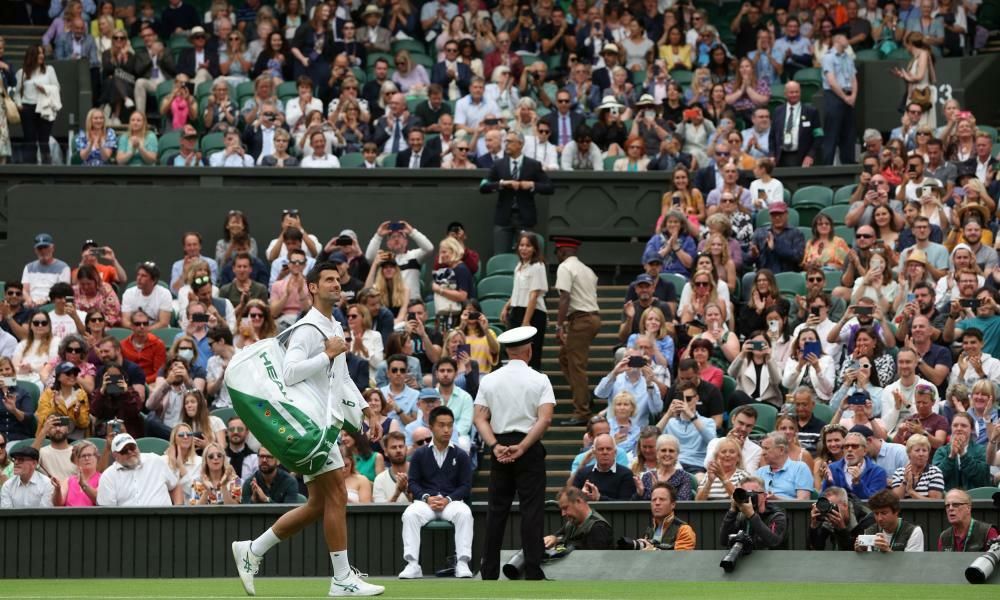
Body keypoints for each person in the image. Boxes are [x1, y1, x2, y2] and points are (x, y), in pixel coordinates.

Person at [231, 262, 385, 597]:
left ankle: (252, 550)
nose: (336, 284)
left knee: (318, 504)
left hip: (324, 424)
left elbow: (341, 380)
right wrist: (327, 355)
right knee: (338, 495)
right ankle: (342, 579)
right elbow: (289, 373)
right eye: (328, 280)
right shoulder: (306, 329)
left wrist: (366, 411)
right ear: (313, 288)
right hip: (314, 427)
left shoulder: (334, 326)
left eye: (338, 280)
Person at [474, 326, 555, 581]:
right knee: (532, 511)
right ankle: (532, 570)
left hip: (500, 450)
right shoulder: (540, 379)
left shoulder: (489, 379)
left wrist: (495, 446)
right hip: (527, 449)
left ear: (507, 351)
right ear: (529, 350)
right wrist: (522, 447)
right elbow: (545, 419)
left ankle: (488, 572)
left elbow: (479, 418)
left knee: (496, 511)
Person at [399, 406, 473, 579]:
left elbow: (466, 485)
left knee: (465, 513)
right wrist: (426, 498)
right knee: (409, 514)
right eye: (441, 425)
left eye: (449, 425)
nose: (446, 429)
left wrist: (448, 499)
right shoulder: (419, 455)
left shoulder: (461, 455)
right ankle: (412, 564)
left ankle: (462, 563)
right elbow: (413, 483)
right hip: (426, 504)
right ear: (431, 427)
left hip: (452, 503)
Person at [478, 131, 554, 255]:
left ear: (520, 144)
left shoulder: (533, 165)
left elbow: (550, 187)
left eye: (510, 142)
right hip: (504, 218)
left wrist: (532, 185)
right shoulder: (498, 164)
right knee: (500, 255)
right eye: (505, 141)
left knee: (527, 256)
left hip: (525, 218)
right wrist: (502, 183)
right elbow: (483, 186)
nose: (506, 145)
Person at [553, 238, 601, 426]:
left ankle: (582, 411)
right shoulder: (587, 269)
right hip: (592, 317)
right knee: (565, 358)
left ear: (563, 252)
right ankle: (585, 397)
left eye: (557, 252)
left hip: (581, 319)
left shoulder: (565, 267)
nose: (556, 256)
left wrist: (558, 326)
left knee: (576, 365)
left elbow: (565, 297)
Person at [500, 232, 548, 368]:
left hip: (533, 314)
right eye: (521, 245)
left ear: (534, 248)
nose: (524, 248)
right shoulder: (519, 266)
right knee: (514, 350)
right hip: (517, 310)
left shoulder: (538, 266)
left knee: (532, 352)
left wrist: (526, 321)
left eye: (528, 245)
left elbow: (533, 295)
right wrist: (507, 306)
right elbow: (517, 291)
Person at [97, 433, 178, 506]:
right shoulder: (108, 476)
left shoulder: (156, 461)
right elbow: (107, 510)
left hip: (161, 519)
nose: (130, 452)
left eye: (132, 447)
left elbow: (175, 485)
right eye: (124, 451)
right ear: (115, 456)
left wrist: (178, 508)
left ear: (137, 447)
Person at [718, 477, 788, 550]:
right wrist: (732, 511)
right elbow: (724, 541)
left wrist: (752, 516)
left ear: (764, 496)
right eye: (745, 494)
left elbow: (773, 542)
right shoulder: (741, 515)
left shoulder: (777, 516)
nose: (748, 497)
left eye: (752, 493)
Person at [820, 34, 858, 165]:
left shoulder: (848, 57)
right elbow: (831, 81)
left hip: (849, 96)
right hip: (834, 96)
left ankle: (848, 166)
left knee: (848, 135)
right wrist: (844, 97)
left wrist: (853, 96)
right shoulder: (828, 57)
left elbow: (853, 78)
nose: (847, 40)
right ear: (837, 39)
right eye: (845, 37)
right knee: (832, 134)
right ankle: (827, 167)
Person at [931, 411, 991, 489]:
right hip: (948, 497)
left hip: (975, 497)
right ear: (951, 428)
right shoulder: (942, 451)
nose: (959, 428)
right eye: (955, 425)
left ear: (972, 429)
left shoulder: (981, 450)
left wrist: (963, 455)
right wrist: (951, 457)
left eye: (964, 426)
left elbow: (982, 478)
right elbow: (936, 478)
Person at [543, 486, 613, 551]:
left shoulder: (598, 528)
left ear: (579, 501)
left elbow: (592, 561)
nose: (563, 514)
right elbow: (564, 547)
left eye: (565, 508)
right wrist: (554, 540)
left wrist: (557, 547)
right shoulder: (571, 523)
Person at [571, 433, 637, 501]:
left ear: (615, 452)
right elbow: (572, 500)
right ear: (594, 452)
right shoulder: (582, 473)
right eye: (601, 449)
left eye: (608, 449)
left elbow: (626, 505)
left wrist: (599, 498)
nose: (605, 452)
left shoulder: (626, 474)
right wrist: (582, 496)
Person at [823, 431, 888, 499]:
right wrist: (828, 483)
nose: (849, 449)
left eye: (854, 446)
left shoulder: (878, 472)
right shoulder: (832, 469)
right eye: (846, 446)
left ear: (865, 451)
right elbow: (823, 499)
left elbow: (874, 502)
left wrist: (857, 483)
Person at [856, 489, 924, 553]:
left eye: (884, 513)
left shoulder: (914, 532)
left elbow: (913, 564)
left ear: (896, 511)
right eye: (876, 513)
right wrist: (863, 552)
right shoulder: (870, 531)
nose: (879, 518)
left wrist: (888, 551)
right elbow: (869, 563)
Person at [756, 431, 814, 500]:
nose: (763, 453)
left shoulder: (800, 468)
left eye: (766, 449)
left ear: (781, 450)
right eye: (762, 448)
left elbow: (803, 501)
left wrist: (777, 499)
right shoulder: (760, 472)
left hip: (790, 510)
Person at [808, 486, 869, 550]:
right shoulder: (828, 516)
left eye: (833, 506)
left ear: (845, 505)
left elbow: (855, 553)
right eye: (828, 507)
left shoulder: (864, 518)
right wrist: (813, 527)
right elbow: (816, 549)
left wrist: (842, 529)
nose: (830, 511)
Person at [372, 431, 411, 504]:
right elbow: (380, 511)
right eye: (394, 447)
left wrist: (406, 492)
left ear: (406, 449)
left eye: (401, 446)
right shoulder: (380, 479)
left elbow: (425, 506)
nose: (398, 450)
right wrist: (397, 493)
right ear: (386, 452)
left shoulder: (420, 472)